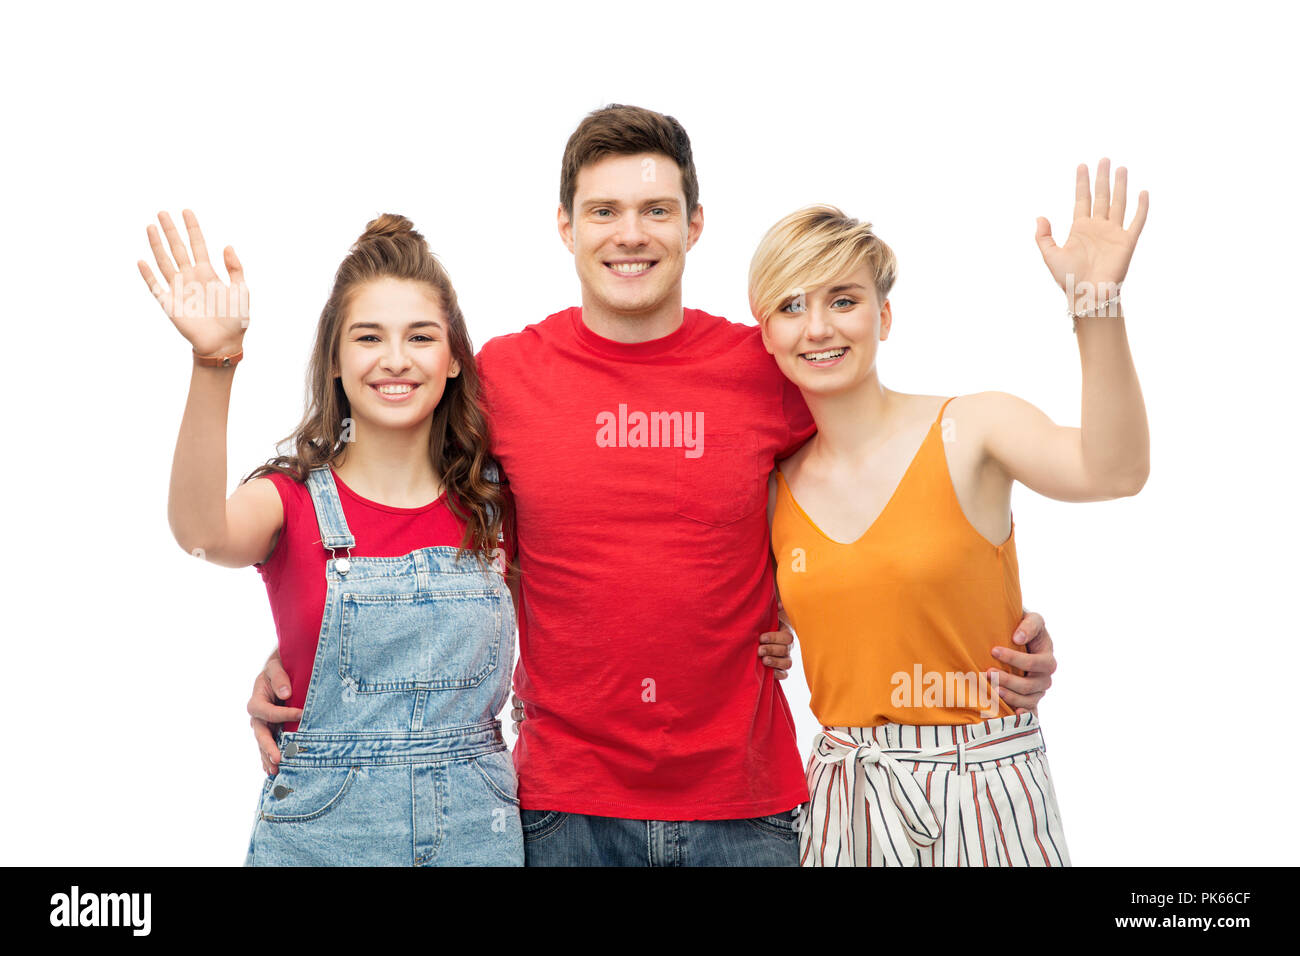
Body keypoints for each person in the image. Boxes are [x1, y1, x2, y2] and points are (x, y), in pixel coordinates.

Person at [249, 105, 1061, 866]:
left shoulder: (767, 367)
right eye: (602, 211)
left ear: (694, 225)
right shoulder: (503, 377)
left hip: (747, 810)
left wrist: (984, 621)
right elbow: (415, 506)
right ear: (565, 227)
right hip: (563, 810)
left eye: (656, 210)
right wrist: (311, 637)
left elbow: (886, 483)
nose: (629, 234)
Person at [749, 160, 1149, 866]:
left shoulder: (975, 429)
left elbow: (1113, 471)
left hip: (988, 789)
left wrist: (1096, 305)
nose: (816, 327)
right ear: (765, 333)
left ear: (884, 315)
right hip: (848, 796)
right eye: (790, 306)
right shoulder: (771, 489)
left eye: (843, 300)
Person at [140, 211, 523, 866]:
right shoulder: (288, 502)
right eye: (368, 337)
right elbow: (200, 533)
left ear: (455, 358)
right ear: (337, 360)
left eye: (421, 337)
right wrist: (214, 362)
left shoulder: (497, 504)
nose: (395, 360)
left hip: (477, 832)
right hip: (321, 839)